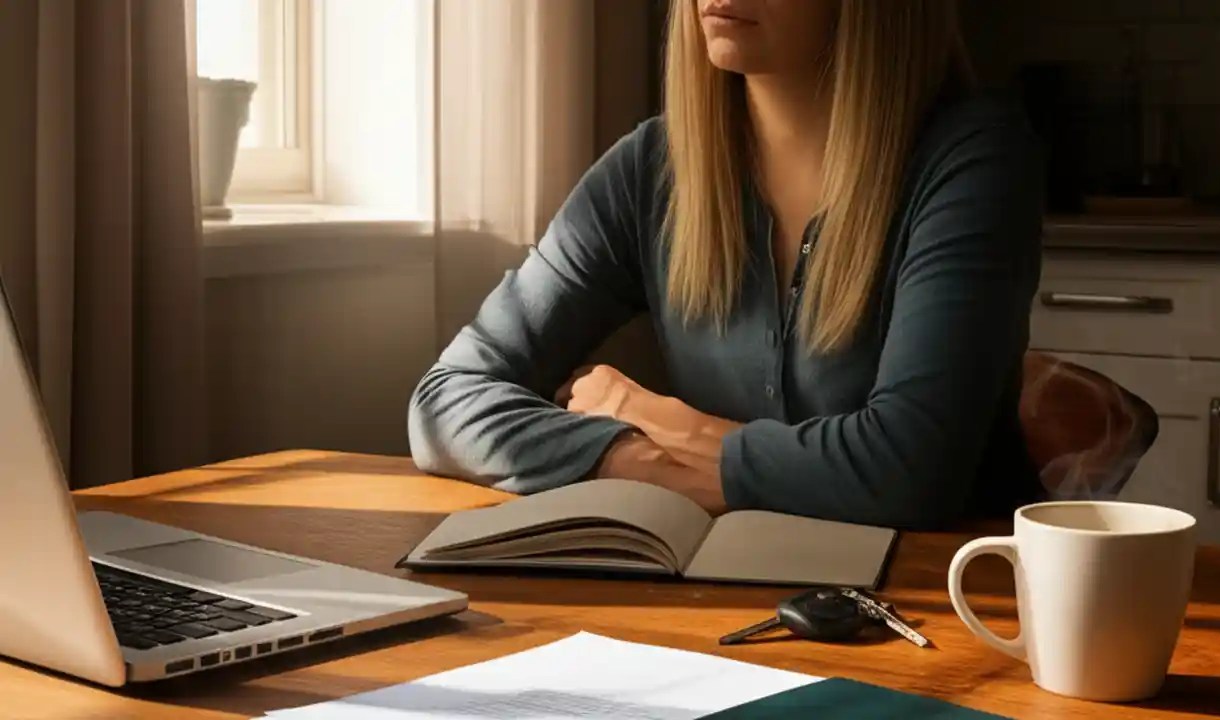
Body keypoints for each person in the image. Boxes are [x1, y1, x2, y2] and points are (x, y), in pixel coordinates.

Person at [409, 0, 1044, 529]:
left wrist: (658, 418)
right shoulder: (649, 171)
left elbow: (910, 471)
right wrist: (641, 463)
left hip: (947, 612)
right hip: (724, 612)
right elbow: (444, 402)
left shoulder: (974, 160)